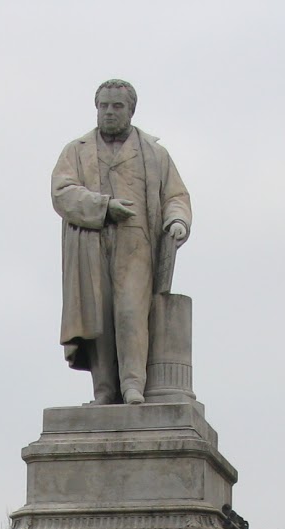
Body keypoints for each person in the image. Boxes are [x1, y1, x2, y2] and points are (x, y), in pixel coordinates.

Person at [53, 79, 192, 405]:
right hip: (91, 240)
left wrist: (177, 220)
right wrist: (103, 206)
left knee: (131, 313)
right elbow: (62, 192)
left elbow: (175, 195)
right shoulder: (76, 151)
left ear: (131, 110)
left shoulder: (154, 153)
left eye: (117, 106)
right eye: (104, 106)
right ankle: (103, 390)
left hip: (136, 242)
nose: (110, 112)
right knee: (98, 317)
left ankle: (132, 384)